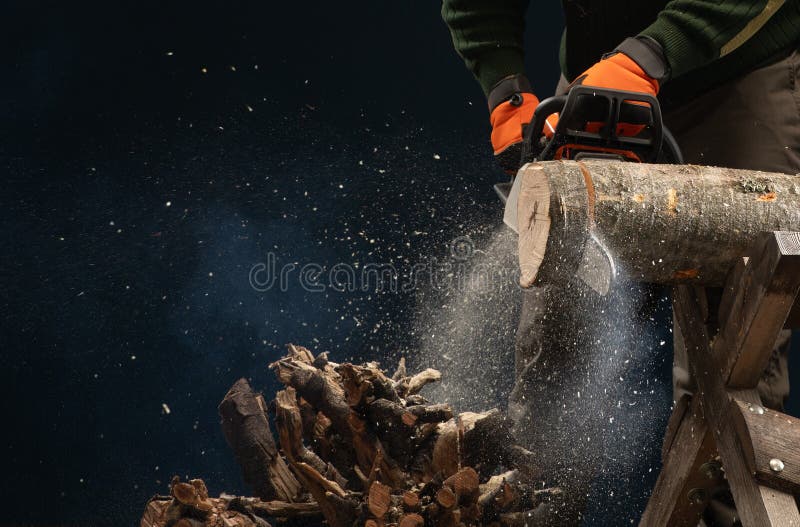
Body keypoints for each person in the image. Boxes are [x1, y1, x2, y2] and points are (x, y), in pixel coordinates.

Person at [441, 1, 800, 525]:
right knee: (557, 340)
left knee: (737, 351)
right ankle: (534, 512)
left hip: (734, 68)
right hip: (597, 76)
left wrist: (652, 54)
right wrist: (504, 86)